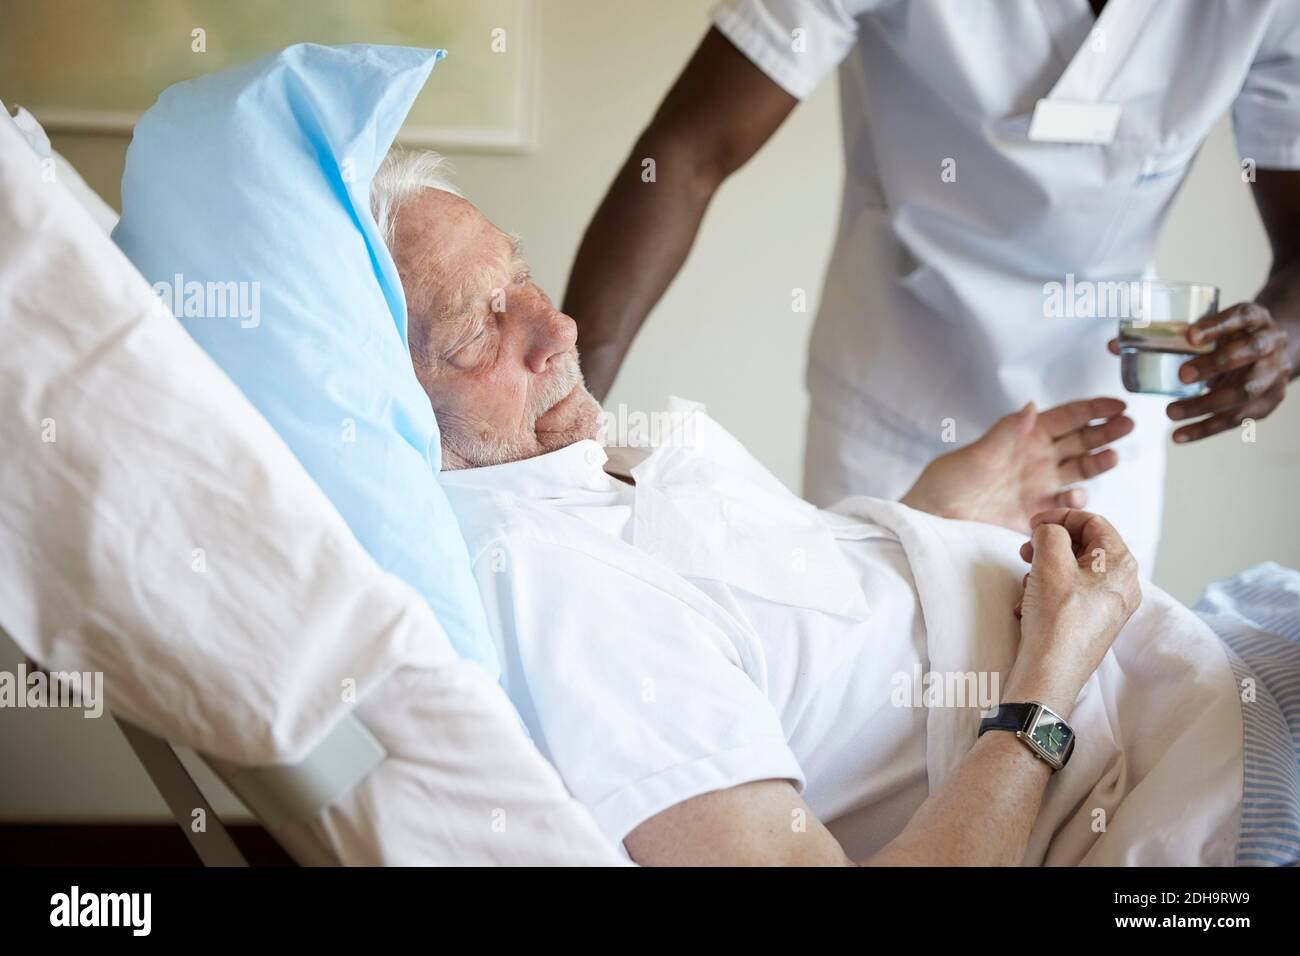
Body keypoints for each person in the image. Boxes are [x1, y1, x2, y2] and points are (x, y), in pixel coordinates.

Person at [366, 150, 1250, 866]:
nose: (556, 329)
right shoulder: (549, 586)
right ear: (387, 399)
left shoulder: (563, 476)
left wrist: (931, 519)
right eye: (478, 328)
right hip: (1166, 759)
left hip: (1171, 672)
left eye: (522, 276)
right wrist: (1050, 679)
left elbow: (774, 650)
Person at [562, 0, 1300, 574]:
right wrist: (562, 421)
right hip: (898, 408)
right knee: (880, 718)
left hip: (1100, 424)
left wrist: (1282, 340)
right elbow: (686, 153)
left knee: (1085, 727)